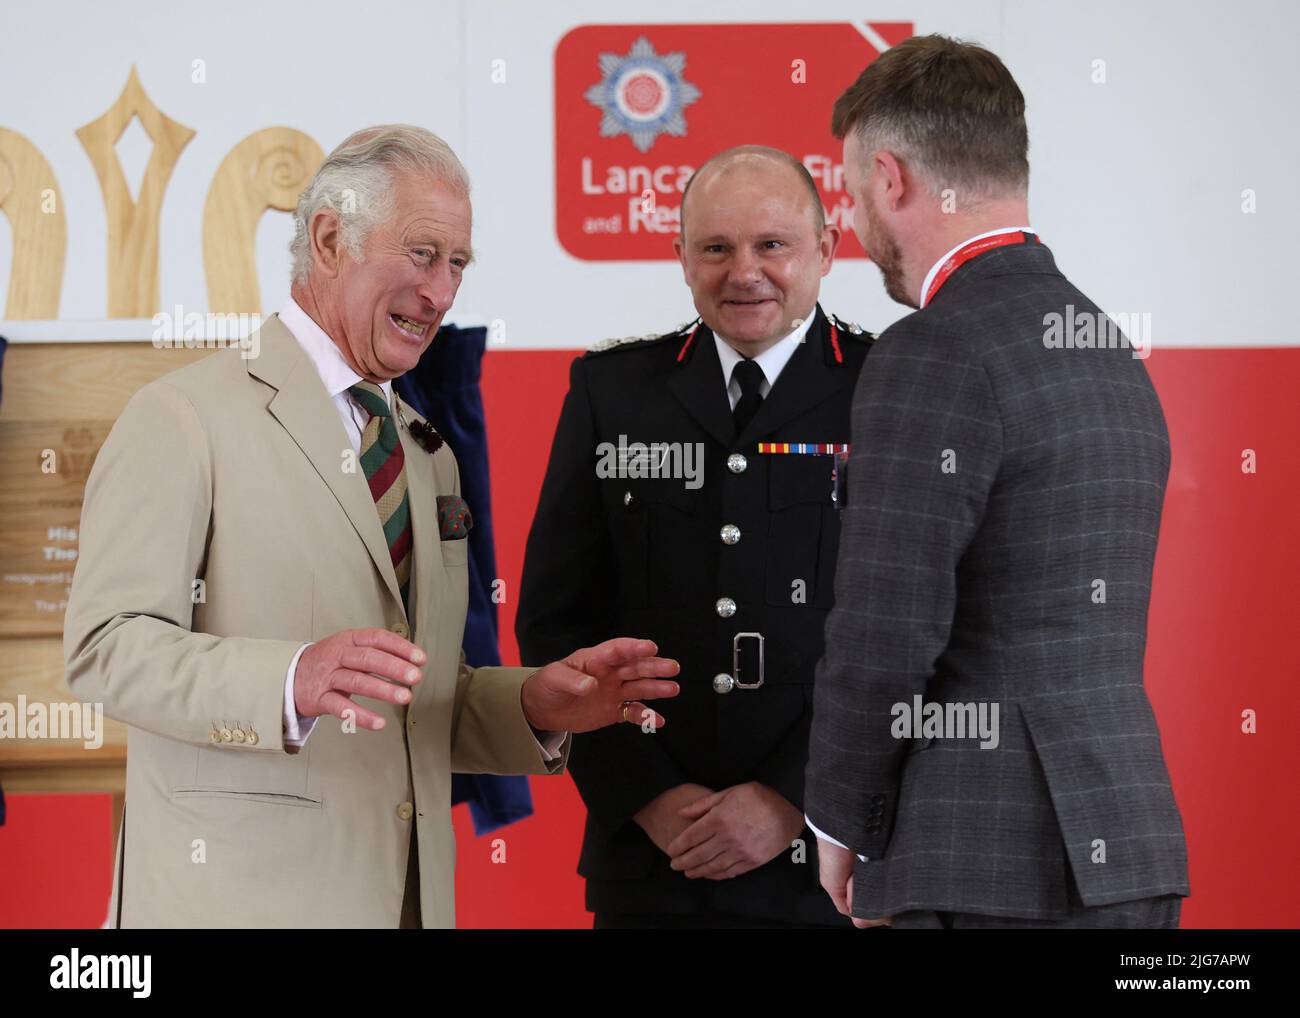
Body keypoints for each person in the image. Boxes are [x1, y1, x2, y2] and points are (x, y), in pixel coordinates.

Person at [63, 125, 679, 929]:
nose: (443, 292)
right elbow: (104, 650)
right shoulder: (183, 417)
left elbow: (419, 700)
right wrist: (289, 679)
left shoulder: (426, 455)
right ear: (328, 238)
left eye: (458, 264)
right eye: (423, 254)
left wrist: (536, 703)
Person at [804, 35, 1189, 929]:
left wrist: (839, 820)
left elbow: (886, 629)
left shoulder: (931, 351)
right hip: (1128, 850)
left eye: (855, 193)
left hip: (977, 864)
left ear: (891, 180)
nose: (857, 226)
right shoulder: (1107, 350)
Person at [517, 145, 873, 928]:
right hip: (653, 864)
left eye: (771, 245)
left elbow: (914, 632)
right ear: (681, 258)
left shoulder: (886, 391)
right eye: (715, 247)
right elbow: (554, 623)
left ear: (826, 250)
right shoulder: (612, 393)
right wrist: (646, 795)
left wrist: (794, 798)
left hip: (829, 865)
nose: (743, 271)